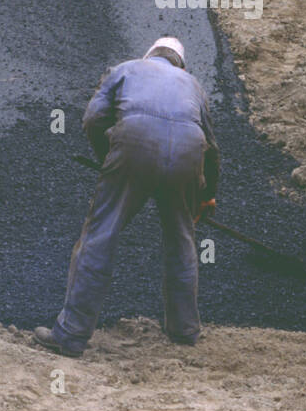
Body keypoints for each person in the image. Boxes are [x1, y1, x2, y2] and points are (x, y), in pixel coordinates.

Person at [34, 37, 221, 358]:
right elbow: (213, 151)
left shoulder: (125, 70)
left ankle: (71, 334)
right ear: (181, 65)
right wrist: (205, 197)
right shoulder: (194, 85)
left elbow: (93, 119)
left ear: (148, 55)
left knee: (100, 234)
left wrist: (110, 158)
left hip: (135, 144)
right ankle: (184, 329)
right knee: (182, 239)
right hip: (189, 155)